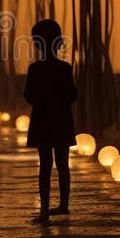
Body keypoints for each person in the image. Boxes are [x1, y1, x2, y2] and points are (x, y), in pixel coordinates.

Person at [23, 18, 78, 223]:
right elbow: (72, 95)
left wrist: (42, 98)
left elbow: (28, 95)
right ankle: (64, 205)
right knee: (63, 163)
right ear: (59, 42)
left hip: (42, 120)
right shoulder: (65, 68)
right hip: (62, 120)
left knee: (45, 164)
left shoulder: (35, 69)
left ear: (37, 43)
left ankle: (44, 211)